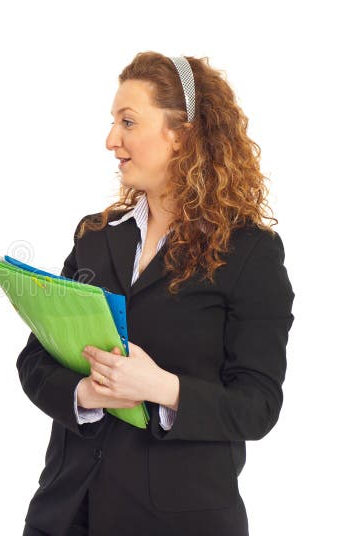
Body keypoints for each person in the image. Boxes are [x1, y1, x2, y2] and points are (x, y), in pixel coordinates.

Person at [17, 52, 294, 536]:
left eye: (128, 122)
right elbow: (36, 359)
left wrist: (160, 388)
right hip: (65, 513)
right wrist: (84, 393)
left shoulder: (250, 252)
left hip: (178, 520)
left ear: (182, 134)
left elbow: (258, 406)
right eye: (113, 122)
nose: (111, 140)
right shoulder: (95, 235)